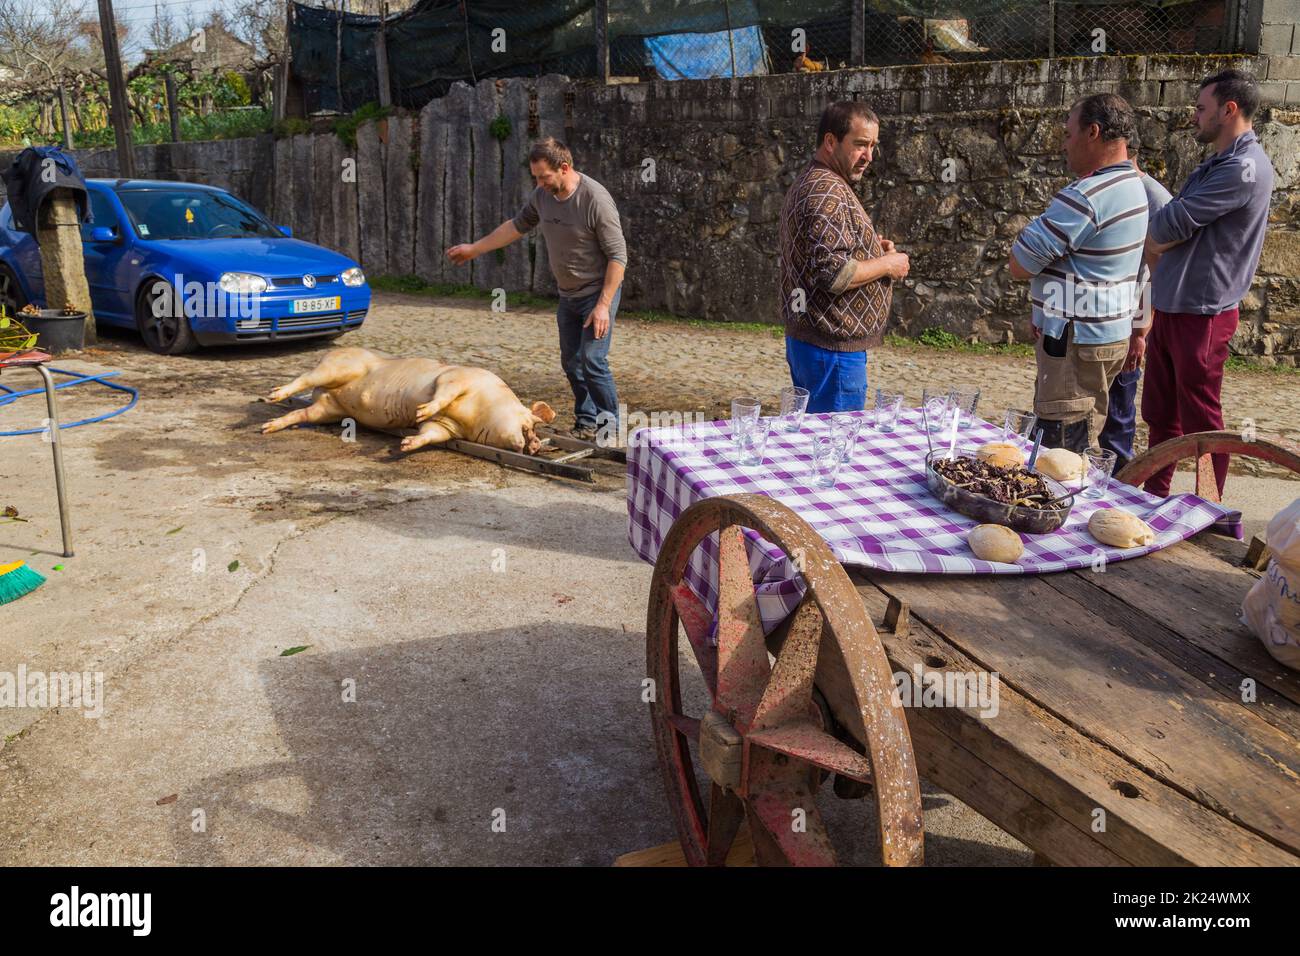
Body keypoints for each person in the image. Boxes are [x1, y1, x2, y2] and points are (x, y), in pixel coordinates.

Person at [1140, 69, 1274, 498]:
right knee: (1161, 411)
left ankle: (1210, 509)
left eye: (1202, 108)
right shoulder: (1219, 163)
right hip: (1177, 303)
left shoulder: (1244, 169)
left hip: (1204, 310)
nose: (1194, 116)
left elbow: (1172, 222)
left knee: (1200, 418)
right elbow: (1171, 226)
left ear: (1228, 110)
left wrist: (1155, 237)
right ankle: (1154, 494)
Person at [447, 137, 627, 442]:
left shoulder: (595, 200)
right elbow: (516, 226)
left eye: (544, 176)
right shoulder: (542, 197)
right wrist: (474, 249)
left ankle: (611, 431)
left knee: (593, 361)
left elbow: (618, 258)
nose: (540, 182)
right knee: (571, 362)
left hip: (598, 293)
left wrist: (603, 306)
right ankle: (586, 422)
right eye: (536, 177)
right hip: (568, 294)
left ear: (564, 168)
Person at [1008, 93, 1149, 453]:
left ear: (1094, 132)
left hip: (1076, 341)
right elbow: (1141, 264)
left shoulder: (1086, 196)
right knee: (1080, 431)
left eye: (1069, 133)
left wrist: (1040, 225)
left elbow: (1020, 264)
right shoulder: (1136, 185)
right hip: (1104, 332)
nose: (1064, 144)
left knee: (1061, 448)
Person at [779, 101, 908, 414]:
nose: (869, 157)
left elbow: (823, 253)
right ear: (830, 141)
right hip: (831, 351)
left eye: (873, 146)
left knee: (816, 441)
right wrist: (890, 264)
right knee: (833, 448)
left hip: (819, 345)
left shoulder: (819, 182)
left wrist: (872, 251)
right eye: (860, 144)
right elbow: (833, 274)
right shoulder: (827, 192)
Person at [1096, 152, 1172, 473]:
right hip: (1101, 320)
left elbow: (1159, 271)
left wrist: (1140, 331)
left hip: (1128, 324)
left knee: (1118, 417)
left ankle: (1118, 487)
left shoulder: (1155, 198)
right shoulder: (1108, 188)